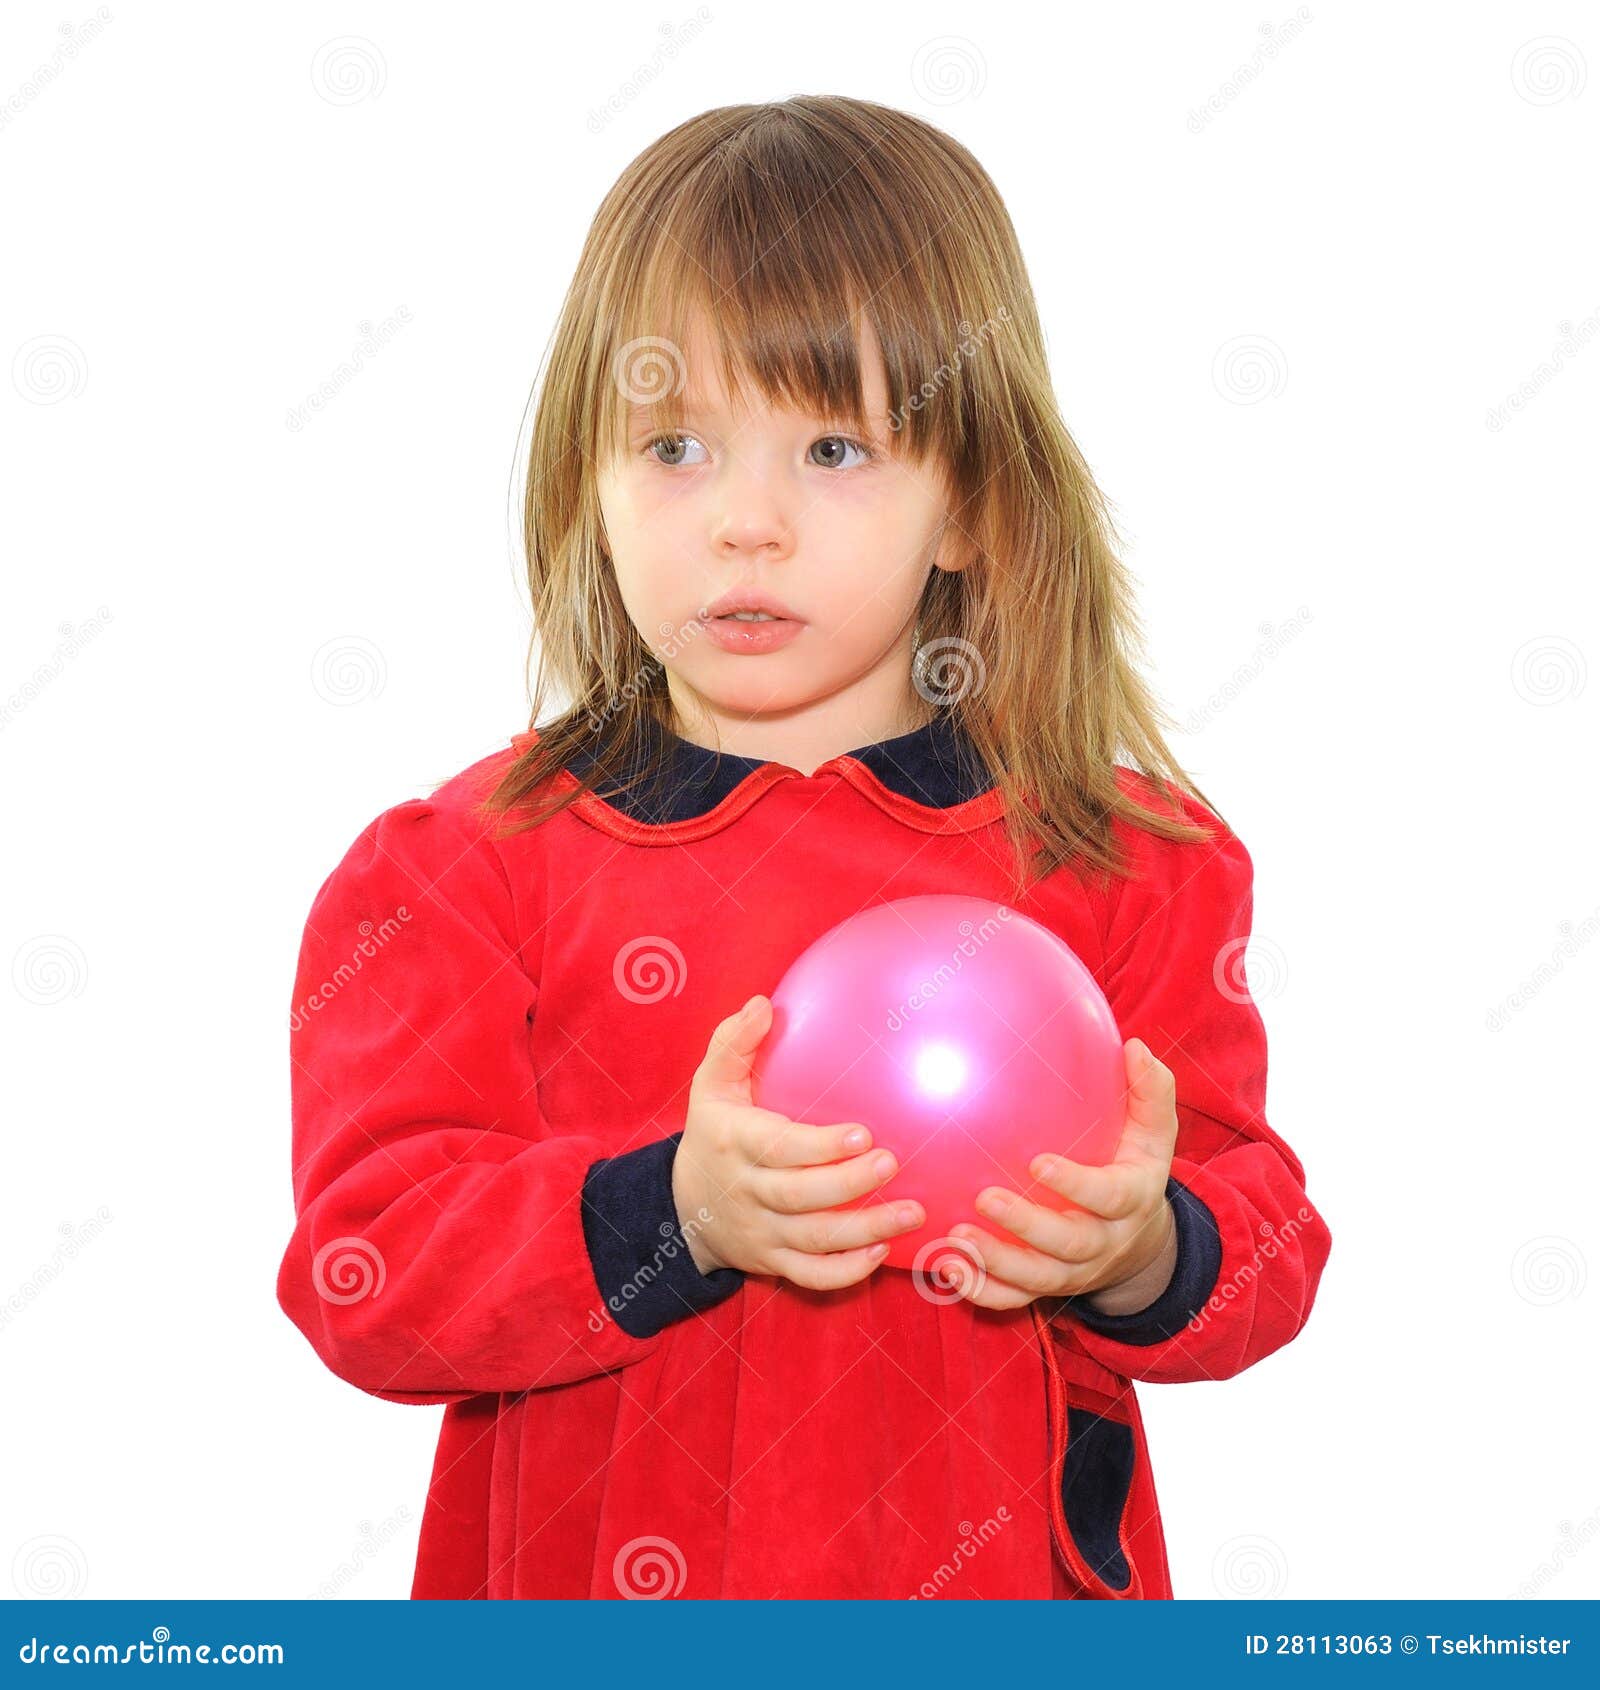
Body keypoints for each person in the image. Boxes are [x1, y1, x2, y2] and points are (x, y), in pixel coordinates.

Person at [276, 93, 1332, 1601]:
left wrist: (1147, 1246)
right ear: (589, 476)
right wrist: (673, 1213)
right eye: (677, 444)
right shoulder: (459, 871)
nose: (746, 521)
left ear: (968, 497)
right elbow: (359, 1269)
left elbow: (1266, 1233)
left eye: (833, 445)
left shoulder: (1124, 859)